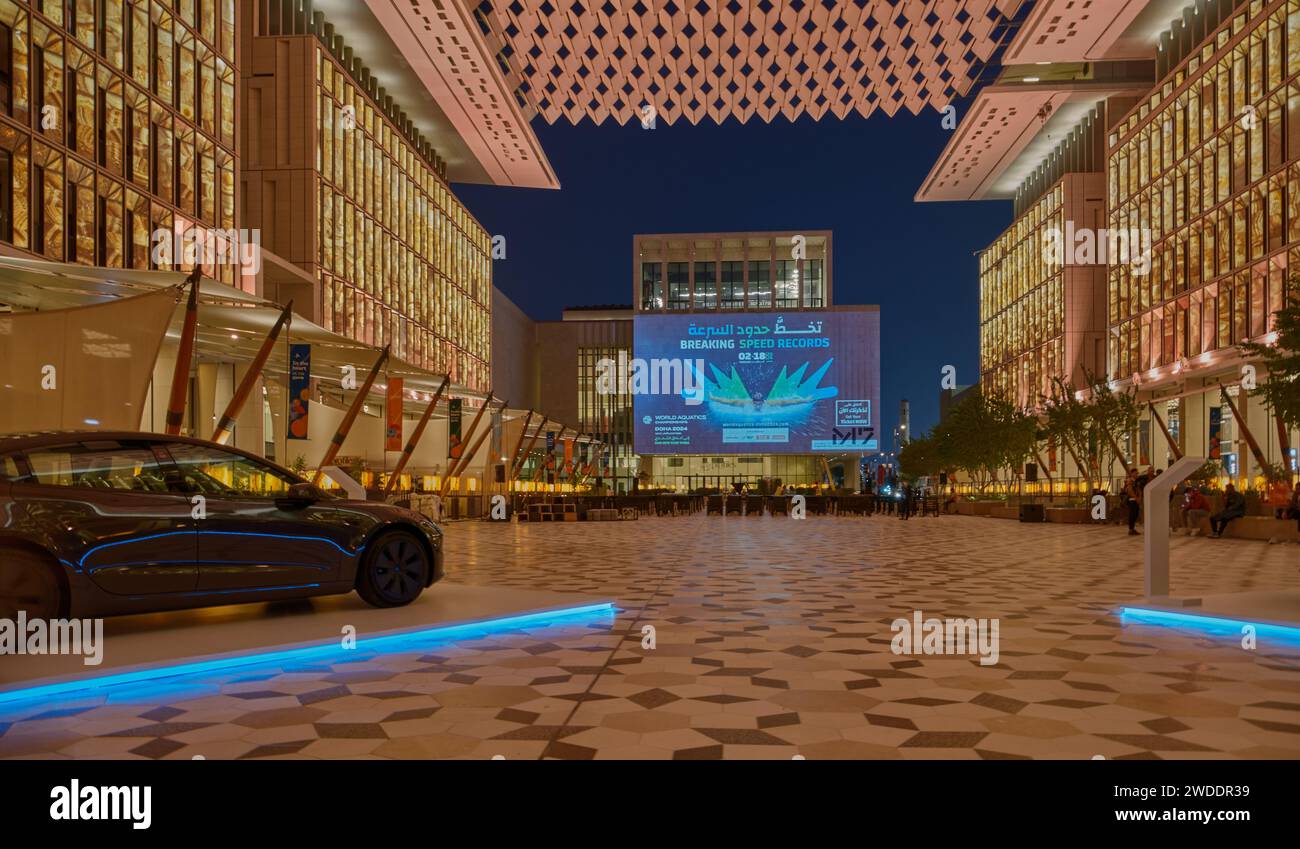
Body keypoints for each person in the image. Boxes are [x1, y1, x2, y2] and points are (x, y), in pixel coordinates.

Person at [1122, 468, 1142, 535]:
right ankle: (1131, 529)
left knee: (1135, 514)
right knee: (1132, 515)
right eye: (1136, 473)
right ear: (1132, 473)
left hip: (1136, 500)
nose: (1137, 474)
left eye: (1137, 473)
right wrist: (1136, 498)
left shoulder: (1136, 481)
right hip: (1132, 500)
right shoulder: (1130, 481)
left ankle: (1132, 528)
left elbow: (1139, 490)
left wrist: (1139, 497)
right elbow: (1130, 491)